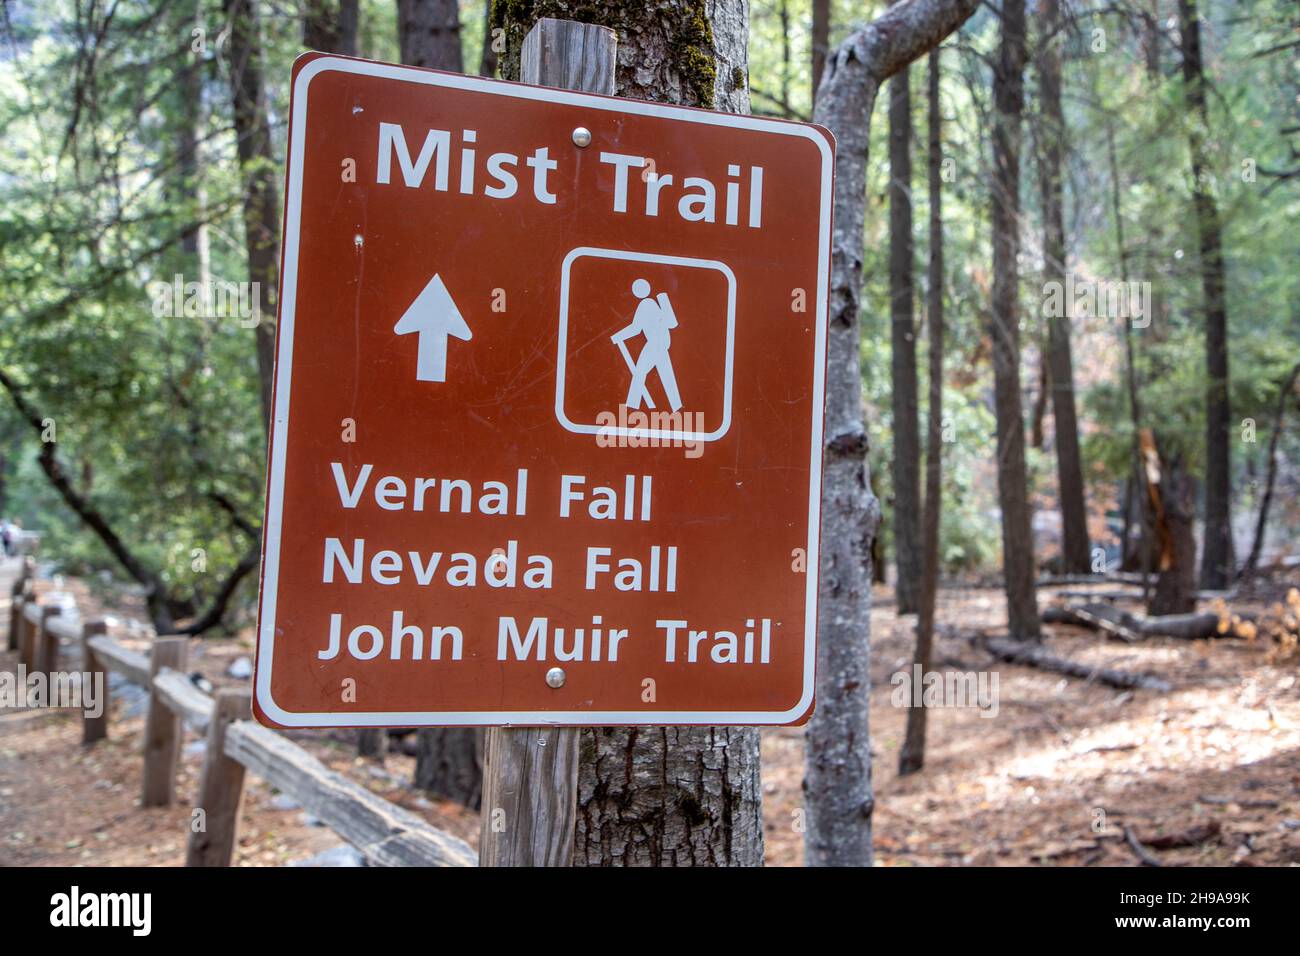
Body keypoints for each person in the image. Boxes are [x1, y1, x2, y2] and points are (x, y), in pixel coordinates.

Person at [610, 278, 682, 412]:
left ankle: (631, 406)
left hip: (655, 343)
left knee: (640, 371)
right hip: (662, 343)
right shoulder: (653, 303)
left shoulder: (646, 304)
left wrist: (617, 336)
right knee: (666, 373)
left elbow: (636, 328)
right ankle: (676, 406)